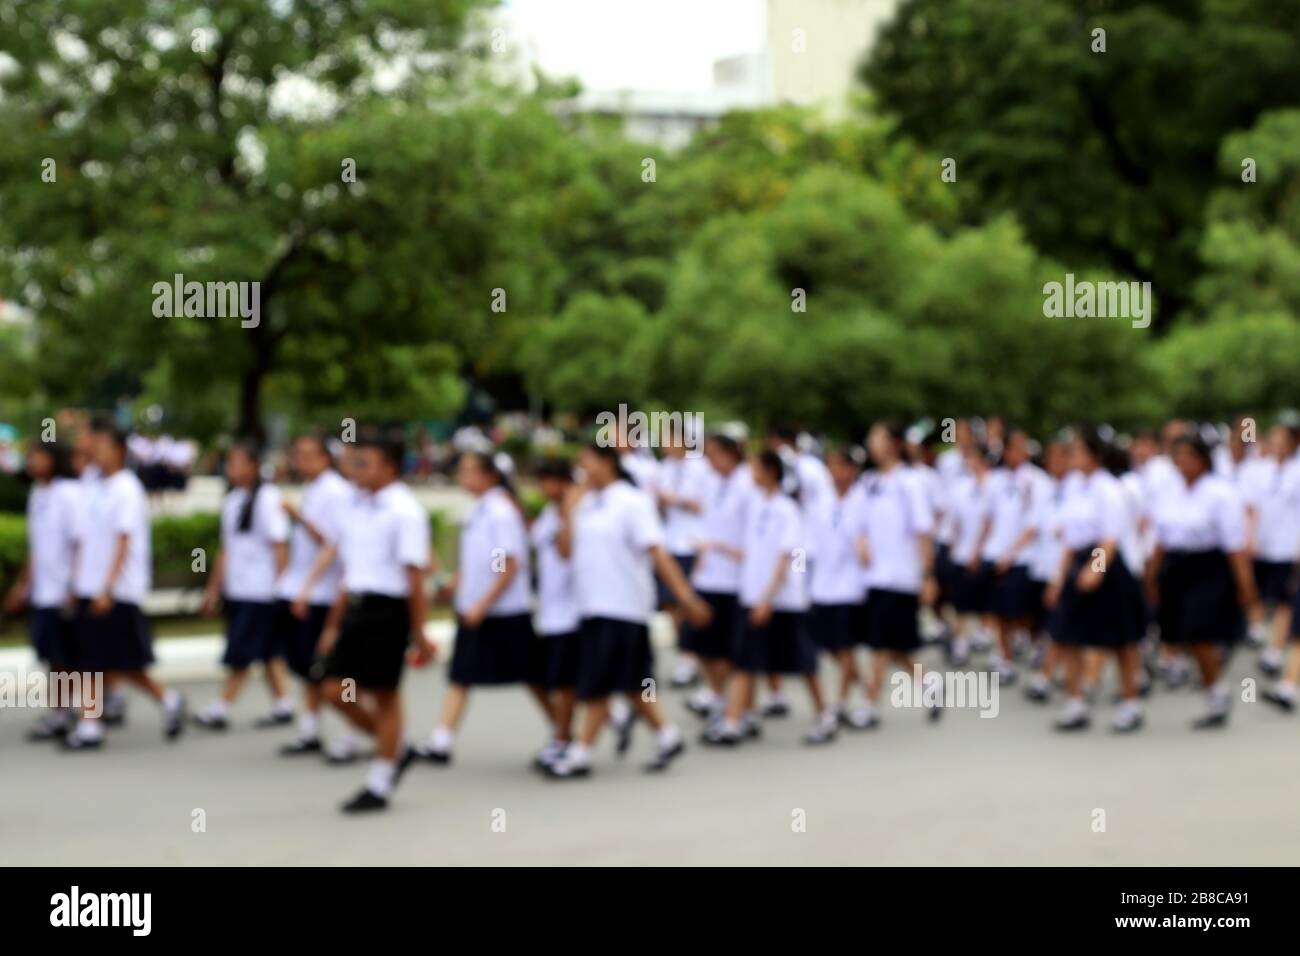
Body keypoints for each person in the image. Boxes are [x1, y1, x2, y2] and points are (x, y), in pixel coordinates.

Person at [544, 444, 711, 778]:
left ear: (607, 463)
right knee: (633, 682)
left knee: (599, 683)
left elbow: (657, 552)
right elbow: (564, 552)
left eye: (586, 462)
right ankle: (667, 734)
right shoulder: (584, 503)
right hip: (590, 604)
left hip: (623, 605)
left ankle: (579, 752)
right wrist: (568, 510)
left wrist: (685, 597)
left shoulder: (632, 502)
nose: (582, 470)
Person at [317, 431, 434, 812]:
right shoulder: (358, 507)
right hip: (357, 610)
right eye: (354, 462)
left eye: (364, 462)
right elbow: (349, 572)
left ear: (389, 466)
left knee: (385, 696)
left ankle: (380, 781)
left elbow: (415, 578)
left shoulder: (404, 511)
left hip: (388, 611)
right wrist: (334, 624)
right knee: (336, 690)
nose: (356, 470)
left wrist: (419, 633)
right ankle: (396, 747)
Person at [414, 450, 544, 765]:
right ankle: (441, 741)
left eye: (470, 470)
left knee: (532, 675)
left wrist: (483, 604)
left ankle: (565, 732)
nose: (463, 477)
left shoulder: (499, 511)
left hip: (502, 611)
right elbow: (482, 562)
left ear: (490, 475)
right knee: (461, 674)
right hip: (478, 608)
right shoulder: (480, 509)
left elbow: (508, 564)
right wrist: (457, 584)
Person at [63, 419, 185, 749]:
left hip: (116, 590)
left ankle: (93, 725)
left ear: (119, 451)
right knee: (104, 660)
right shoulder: (95, 483)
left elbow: (123, 541)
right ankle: (163, 701)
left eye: (102, 448)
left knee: (112, 661)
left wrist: (107, 588)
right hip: (92, 587)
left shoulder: (126, 488)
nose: (95, 454)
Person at [702, 450, 835, 746]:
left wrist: (769, 597)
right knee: (745, 661)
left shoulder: (786, 509)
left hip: (782, 600)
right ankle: (735, 721)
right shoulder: (755, 505)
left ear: (772, 471)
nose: (751, 473)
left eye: (757, 467)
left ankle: (824, 714)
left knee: (803, 663)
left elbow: (786, 555)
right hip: (753, 595)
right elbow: (753, 550)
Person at [1147, 434, 1259, 729]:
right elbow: (1161, 538)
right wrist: (1152, 576)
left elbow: (1233, 544)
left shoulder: (1219, 493)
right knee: (1176, 630)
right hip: (1176, 565)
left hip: (1208, 566)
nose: (1182, 462)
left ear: (1202, 459)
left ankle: (1217, 691)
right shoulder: (1170, 492)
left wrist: (1246, 586)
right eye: (1177, 456)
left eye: (1187, 456)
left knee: (1199, 629)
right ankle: (1189, 672)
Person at [1045, 427, 1144, 732]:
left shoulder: (1108, 488)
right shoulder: (1074, 486)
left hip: (1104, 566)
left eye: (1078, 451)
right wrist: (1058, 577)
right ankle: (1076, 703)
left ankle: (1129, 703)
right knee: (1069, 636)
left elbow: (1111, 537)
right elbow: (1069, 537)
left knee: (1119, 640)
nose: (1072, 456)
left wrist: (1096, 569)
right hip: (1078, 562)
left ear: (1095, 455)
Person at [194, 442, 292, 729]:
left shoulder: (269, 498)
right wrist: (213, 589)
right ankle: (283, 703)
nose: (231, 469)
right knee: (269, 650)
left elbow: (279, 547)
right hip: (238, 588)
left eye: (236, 463)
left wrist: (283, 589)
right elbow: (227, 549)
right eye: (228, 463)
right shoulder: (233, 500)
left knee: (242, 652)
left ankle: (221, 707)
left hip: (262, 590)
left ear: (253, 466)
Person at [274, 432, 357, 760]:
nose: (301, 461)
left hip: (331, 594)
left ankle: (353, 732)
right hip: (308, 589)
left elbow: (332, 544)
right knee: (310, 667)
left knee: (339, 672)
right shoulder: (315, 489)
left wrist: (307, 588)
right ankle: (310, 728)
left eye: (310, 454)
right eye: (298, 454)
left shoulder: (337, 492)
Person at [857, 422, 941, 727]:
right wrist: (861, 543)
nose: (871, 445)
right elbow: (861, 525)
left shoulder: (911, 482)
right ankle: (930, 684)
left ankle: (869, 705)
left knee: (881, 645)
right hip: (875, 576)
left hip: (903, 576)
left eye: (876, 439)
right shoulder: (869, 481)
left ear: (893, 443)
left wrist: (928, 575)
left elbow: (923, 531)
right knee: (893, 646)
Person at [4, 440, 80, 740]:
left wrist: (75, 585)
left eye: (38, 456)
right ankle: (65, 710)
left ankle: (69, 712)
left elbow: (79, 543)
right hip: (43, 591)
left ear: (54, 459)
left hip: (65, 590)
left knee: (68, 654)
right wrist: (23, 585)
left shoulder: (68, 493)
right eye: (30, 456)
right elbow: (37, 547)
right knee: (53, 655)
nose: (31, 461)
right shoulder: (38, 493)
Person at [679, 432, 749, 723]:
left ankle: (737, 705)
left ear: (730, 454)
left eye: (714, 454)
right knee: (699, 643)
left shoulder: (747, 484)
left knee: (727, 649)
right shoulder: (711, 483)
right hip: (708, 574)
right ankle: (718, 694)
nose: (710, 461)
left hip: (735, 577)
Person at [805, 444, 869, 725]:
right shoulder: (821, 503)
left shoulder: (864, 501)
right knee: (830, 646)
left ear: (852, 471)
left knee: (844, 646)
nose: (835, 473)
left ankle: (839, 702)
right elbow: (805, 545)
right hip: (822, 586)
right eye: (831, 467)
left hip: (850, 586)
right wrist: (799, 576)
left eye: (840, 467)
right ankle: (864, 682)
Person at [527, 458, 583, 770]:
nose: (542, 488)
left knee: (564, 684)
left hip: (570, 612)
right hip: (548, 611)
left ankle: (563, 740)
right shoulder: (548, 513)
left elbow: (565, 550)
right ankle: (612, 716)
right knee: (547, 679)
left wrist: (569, 510)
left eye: (548, 481)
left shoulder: (575, 514)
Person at [1243, 425, 1300, 674]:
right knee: (1256, 591)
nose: (1277, 444)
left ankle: (1275, 650)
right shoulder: (1259, 470)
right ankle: (1256, 629)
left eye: (1282, 440)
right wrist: (1250, 538)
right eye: (1273, 439)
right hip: (1261, 544)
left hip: (1288, 546)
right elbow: (1251, 507)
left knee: (1284, 601)